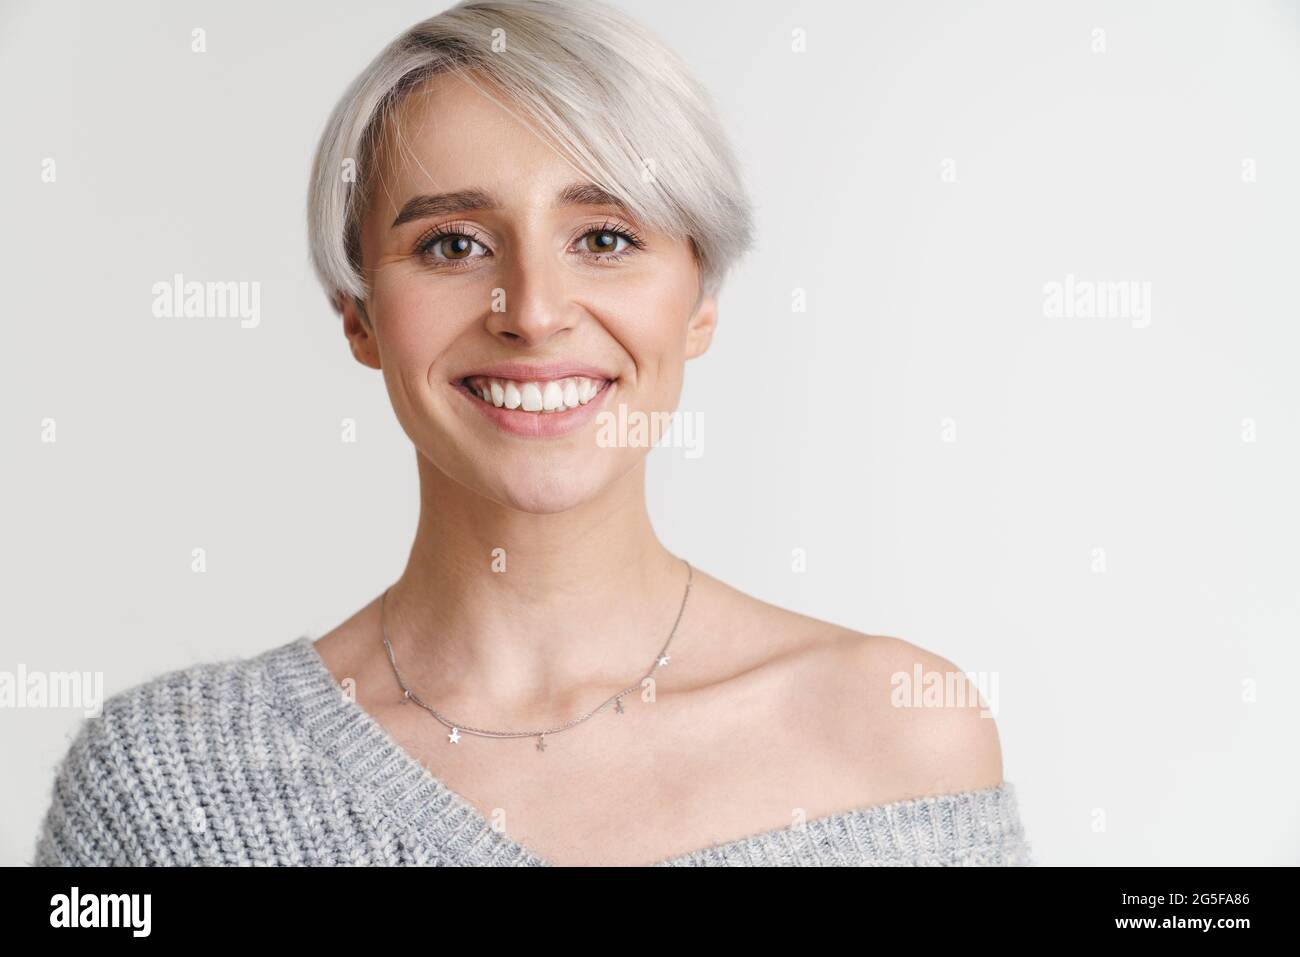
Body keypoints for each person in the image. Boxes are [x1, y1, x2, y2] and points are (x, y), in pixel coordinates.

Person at [33, 0, 1031, 867]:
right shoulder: (167, 787)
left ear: (699, 302)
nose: (533, 310)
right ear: (358, 314)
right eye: (452, 244)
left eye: (604, 238)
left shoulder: (898, 736)